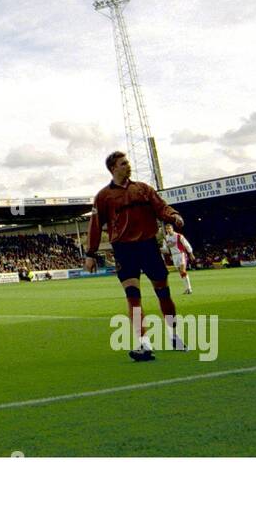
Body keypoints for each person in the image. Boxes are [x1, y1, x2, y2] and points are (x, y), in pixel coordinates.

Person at [85, 151, 187, 362]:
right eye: (123, 164)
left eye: (128, 163)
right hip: (124, 250)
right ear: (113, 168)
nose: (128, 166)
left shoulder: (143, 189)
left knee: (164, 294)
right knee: (133, 297)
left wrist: (173, 215)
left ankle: (173, 335)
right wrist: (90, 253)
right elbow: (95, 226)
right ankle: (144, 344)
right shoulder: (104, 196)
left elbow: (161, 207)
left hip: (148, 247)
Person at [163, 223, 194, 295]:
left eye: (169, 228)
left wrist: (191, 253)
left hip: (181, 254)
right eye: (167, 229)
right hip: (174, 256)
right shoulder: (166, 238)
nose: (168, 230)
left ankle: (189, 288)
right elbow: (166, 249)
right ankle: (186, 289)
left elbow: (186, 244)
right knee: (180, 273)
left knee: (183, 271)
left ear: (172, 229)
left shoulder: (178, 236)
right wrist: (163, 249)